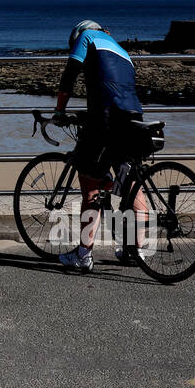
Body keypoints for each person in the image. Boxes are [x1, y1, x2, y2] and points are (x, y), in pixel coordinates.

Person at [53, 19, 147, 272]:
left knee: (91, 187)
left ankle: (83, 254)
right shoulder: (121, 49)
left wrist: (59, 110)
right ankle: (137, 251)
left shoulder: (87, 38)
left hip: (107, 119)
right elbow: (113, 85)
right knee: (131, 186)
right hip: (133, 117)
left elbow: (70, 74)